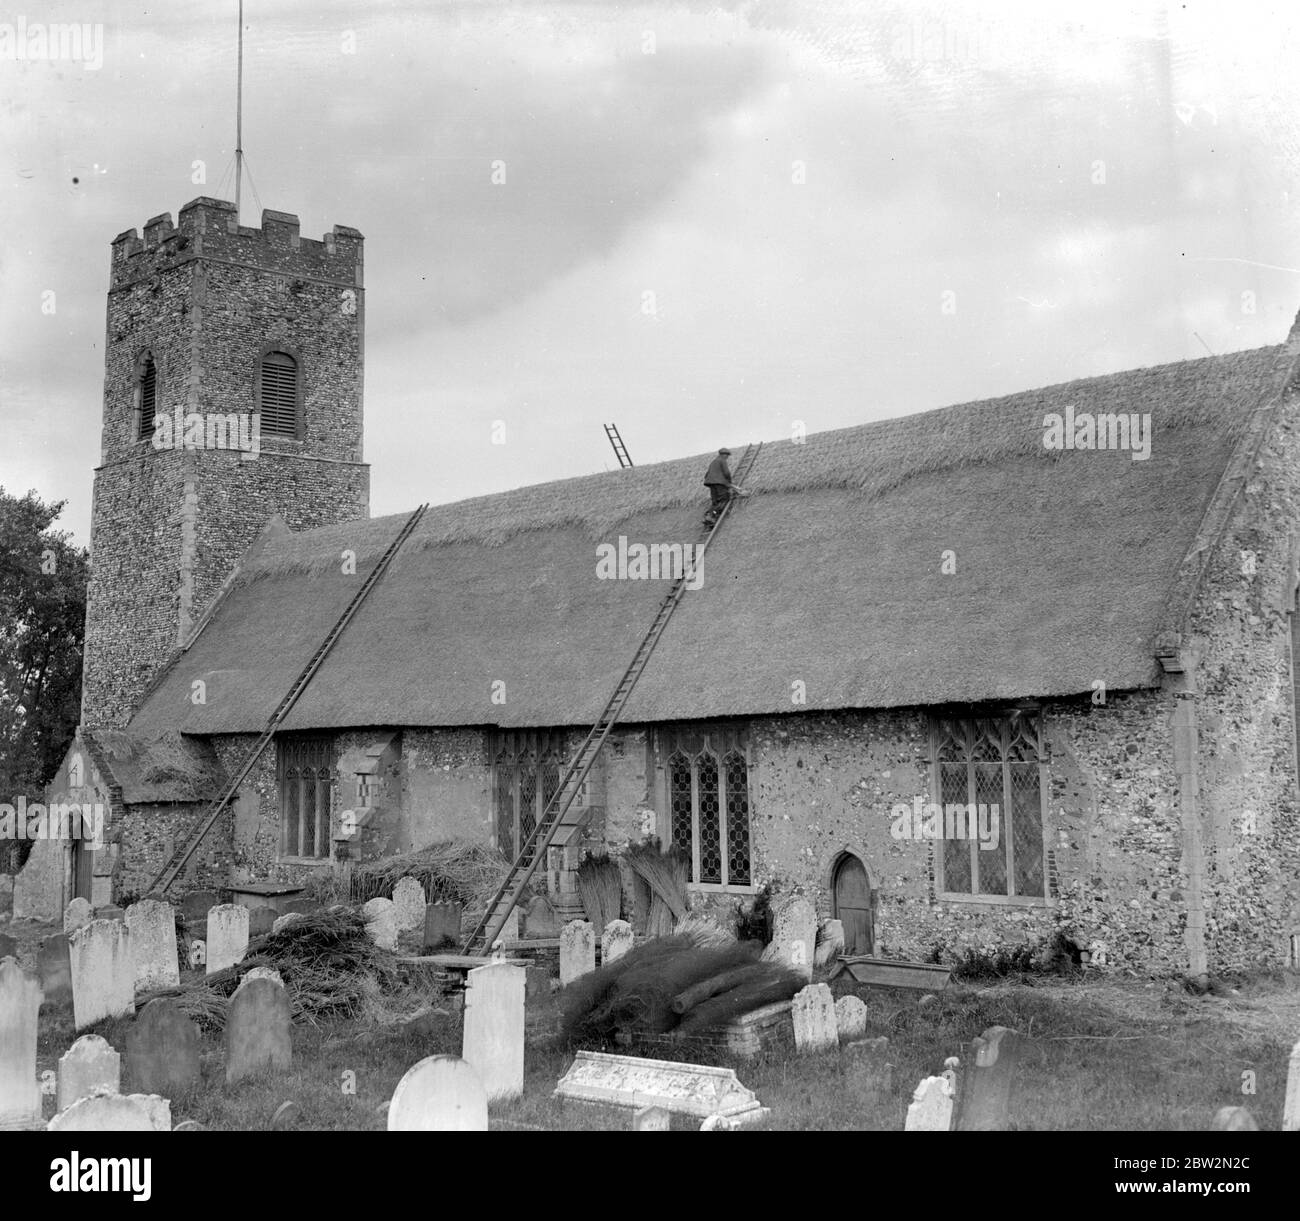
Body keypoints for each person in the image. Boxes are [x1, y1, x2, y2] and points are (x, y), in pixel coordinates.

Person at [703, 447, 743, 525]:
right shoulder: (722, 460)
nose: (727, 457)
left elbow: (706, 475)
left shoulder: (713, 462)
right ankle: (711, 515)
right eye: (727, 455)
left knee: (715, 501)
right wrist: (729, 482)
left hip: (711, 483)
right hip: (719, 483)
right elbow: (726, 473)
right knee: (724, 499)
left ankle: (709, 516)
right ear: (723, 455)